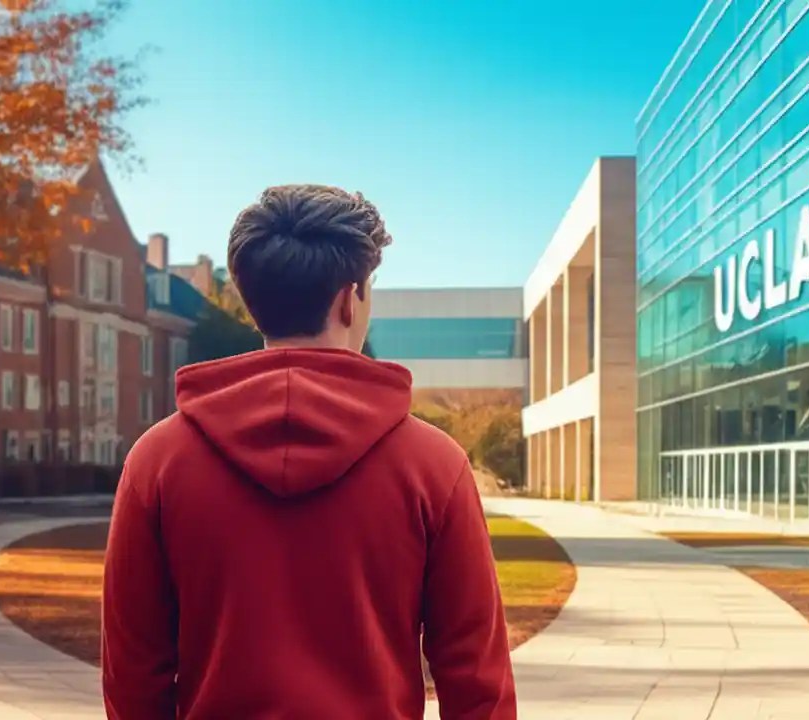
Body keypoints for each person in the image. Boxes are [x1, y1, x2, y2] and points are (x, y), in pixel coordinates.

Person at [102, 184, 516, 719]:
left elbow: (132, 676)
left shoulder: (156, 461)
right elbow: (477, 681)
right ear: (351, 298)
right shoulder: (433, 465)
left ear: (254, 306)